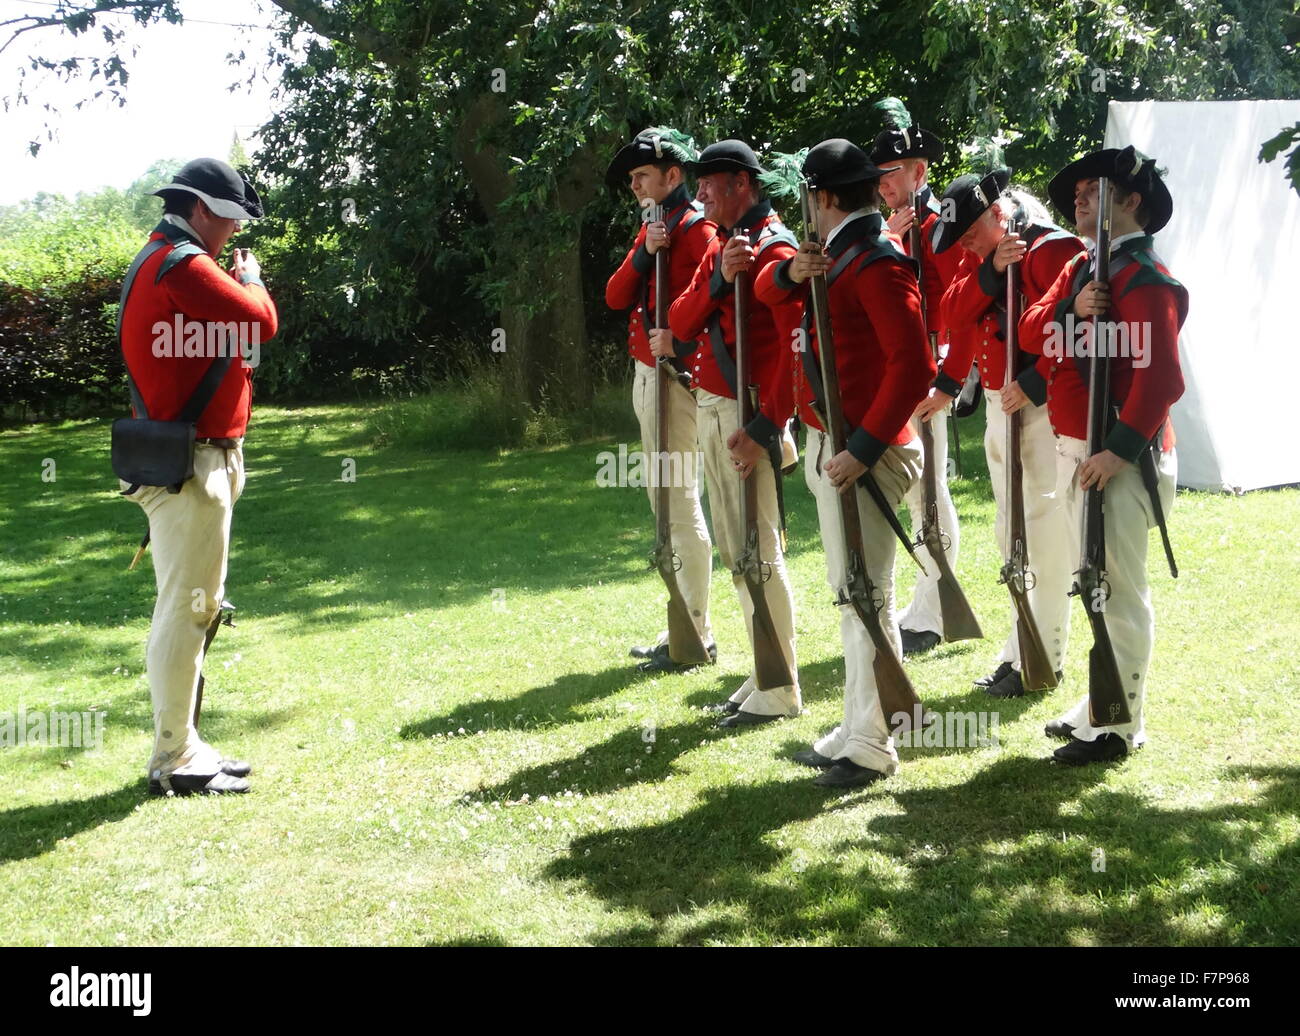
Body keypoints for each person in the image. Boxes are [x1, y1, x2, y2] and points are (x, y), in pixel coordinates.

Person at [756, 140, 934, 788]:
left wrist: (860, 452)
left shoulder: (875, 262)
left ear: (823, 197)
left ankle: (872, 741)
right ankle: (860, 724)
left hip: (868, 449)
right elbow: (766, 293)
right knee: (852, 594)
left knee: (866, 596)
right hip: (841, 444)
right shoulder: (833, 259)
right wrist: (789, 276)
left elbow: (913, 366)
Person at [1019, 145, 1186, 765]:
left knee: (1116, 589)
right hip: (1077, 448)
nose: (1080, 198)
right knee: (1091, 581)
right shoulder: (1084, 270)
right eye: (1079, 190)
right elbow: (1032, 329)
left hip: (1121, 458)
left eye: (1095, 188)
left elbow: (1162, 380)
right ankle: (1100, 704)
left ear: (1131, 201)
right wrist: (1072, 306)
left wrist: (1116, 453)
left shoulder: (1145, 279)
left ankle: (1121, 721)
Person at [119, 157, 276, 795]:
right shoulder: (182, 264)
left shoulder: (167, 259)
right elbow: (259, 323)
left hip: (193, 459)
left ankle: (183, 744)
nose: (234, 234)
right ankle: (174, 758)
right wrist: (255, 281)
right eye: (231, 219)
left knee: (194, 607)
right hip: (191, 465)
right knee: (186, 611)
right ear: (202, 210)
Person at [932, 171, 1086, 697]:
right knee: (1009, 527)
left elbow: (1071, 324)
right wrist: (991, 273)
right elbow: (953, 312)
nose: (966, 246)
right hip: (1003, 405)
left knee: (1041, 529)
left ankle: (1045, 650)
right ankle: (1020, 647)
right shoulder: (990, 257)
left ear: (997, 215)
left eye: (971, 234)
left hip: (1038, 406)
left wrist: (1033, 380)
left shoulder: (1050, 248)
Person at [667, 140, 802, 726]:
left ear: (742, 184)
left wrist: (765, 427)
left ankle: (782, 686)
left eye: (710, 183)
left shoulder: (774, 247)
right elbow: (678, 322)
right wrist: (720, 281)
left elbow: (794, 355)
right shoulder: (724, 248)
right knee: (737, 551)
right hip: (719, 408)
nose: (699, 194)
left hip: (747, 418)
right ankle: (764, 670)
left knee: (759, 551)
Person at [605, 128, 719, 673]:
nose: (634, 186)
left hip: (677, 379)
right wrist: (645, 254)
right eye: (630, 179)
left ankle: (695, 629)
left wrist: (684, 359)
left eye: (642, 176)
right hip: (650, 375)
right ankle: (687, 623)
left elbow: (711, 304)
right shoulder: (656, 227)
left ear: (674, 176)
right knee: (665, 499)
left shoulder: (696, 229)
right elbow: (616, 294)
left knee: (677, 501)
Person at [870, 99, 968, 656]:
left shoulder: (940, 223)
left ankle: (934, 607)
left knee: (929, 490)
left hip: (929, 371)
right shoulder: (891, 225)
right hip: (899, 367)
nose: (884, 184)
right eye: (879, 176)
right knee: (916, 492)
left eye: (893, 173)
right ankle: (928, 598)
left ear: (919, 172)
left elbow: (953, 299)